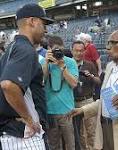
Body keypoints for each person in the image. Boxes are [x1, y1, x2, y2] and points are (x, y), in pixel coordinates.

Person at [69, 28, 118, 150]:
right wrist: (82, 110)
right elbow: (106, 100)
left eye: (113, 43)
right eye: (108, 43)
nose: (108, 47)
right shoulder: (110, 66)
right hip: (105, 129)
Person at [0, 3, 53, 150]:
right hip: (24, 136)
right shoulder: (25, 49)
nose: (46, 30)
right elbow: (8, 85)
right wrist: (28, 119)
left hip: (12, 134)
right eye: (43, 24)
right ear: (32, 21)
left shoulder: (12, 48)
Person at [41, 35, 78, 150]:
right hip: (50, 111)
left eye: (60, 50)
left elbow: (74, 84)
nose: (58, 53)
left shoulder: (70, 62)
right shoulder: (44, 62)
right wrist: (46, 63)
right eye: (56, 50)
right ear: (49, 49)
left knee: (70, 144)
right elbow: (41, 81)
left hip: (67, 111)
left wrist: (63, 67)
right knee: (54, 145)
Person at [72, 40, 100, 150]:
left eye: (81, 51)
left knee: (91, 131)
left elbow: (98, 82)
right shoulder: (68, 64)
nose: (79, 53)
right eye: (76, 51)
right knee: (80, 133)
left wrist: (91, 76)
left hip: (87, 100)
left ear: (84, 51)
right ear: (72, 51)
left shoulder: (89, 64)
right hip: (74, 102)